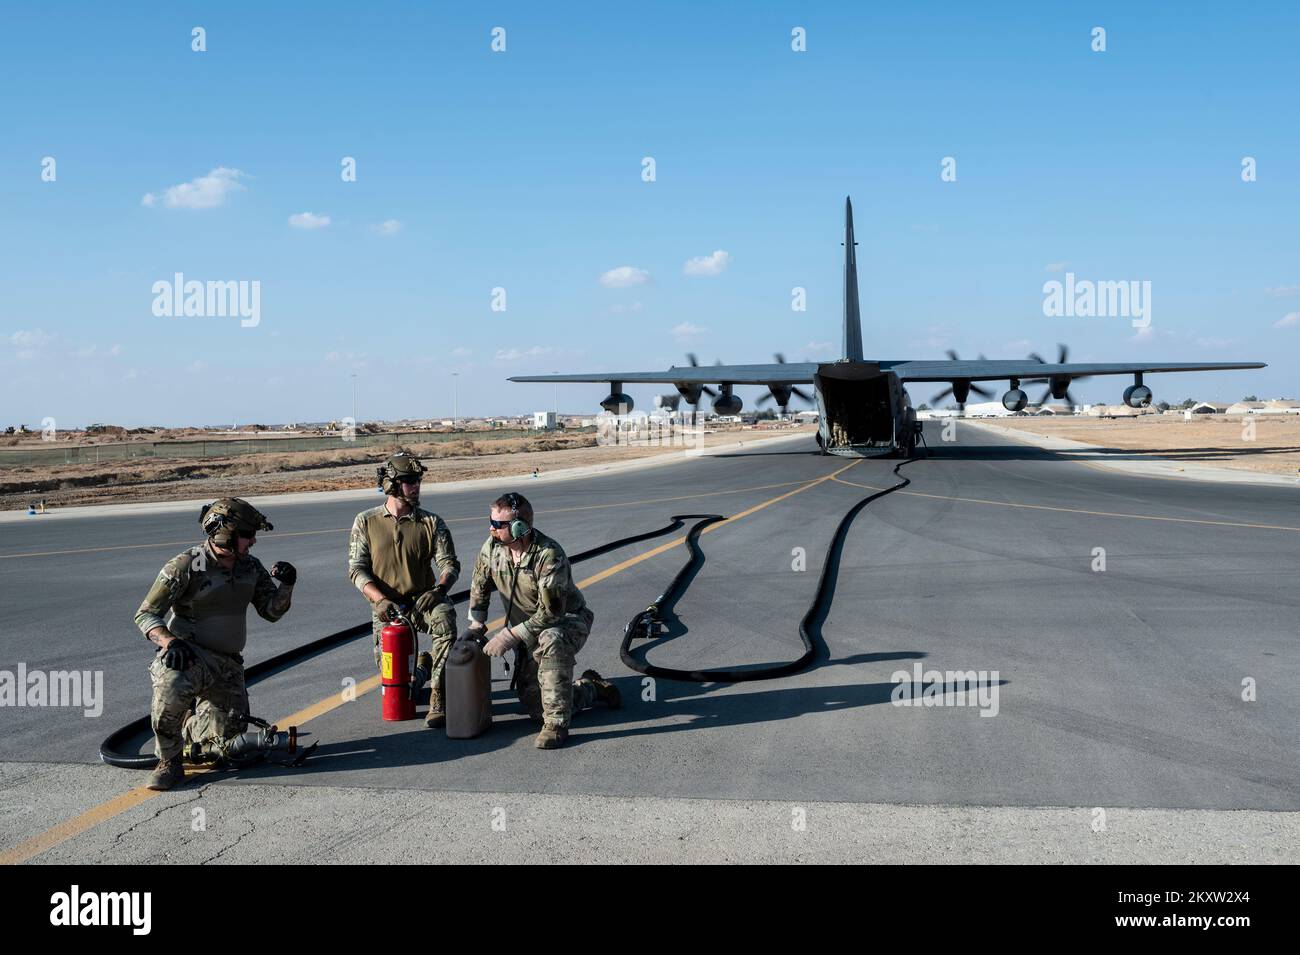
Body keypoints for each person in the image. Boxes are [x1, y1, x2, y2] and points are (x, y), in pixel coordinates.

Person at [135, 498, 295, 790]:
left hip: (228, 664)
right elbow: (146, 614)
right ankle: (169, 761)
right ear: (226, 534)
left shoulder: (250, 567)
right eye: (248, 535)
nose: (254, 541)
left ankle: (187, 725)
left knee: (227, 743)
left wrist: (287, 585)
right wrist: (169, 643)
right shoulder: (186, 565)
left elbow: (271, 612)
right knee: (170, 686)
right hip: (189, 658)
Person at [468, 492, 619, 748]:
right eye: (491, 522)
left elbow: (551, 614)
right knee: (537, 707)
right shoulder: (492, 548)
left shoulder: (549, 555)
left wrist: (511, 635)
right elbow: (480, 584)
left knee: (551, 639)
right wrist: (476, 623)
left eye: (498, 525)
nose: (491, 529)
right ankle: (591, 687)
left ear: (519, 527)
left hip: (566, 622)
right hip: (527, 631)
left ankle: (557, 726)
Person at [348, 451, 459, 727]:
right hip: (388, 609)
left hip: (424, 602)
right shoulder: (366, 521)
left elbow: (450, 565)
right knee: (395, 680)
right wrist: (379, 600)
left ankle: (440, 695)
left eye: (418, 481)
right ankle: (421, 669)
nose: (416, 487)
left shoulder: (431, 523)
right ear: (391, 485)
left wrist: (439, 591)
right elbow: (356, 570)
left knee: (446, 619)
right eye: (410, 481)